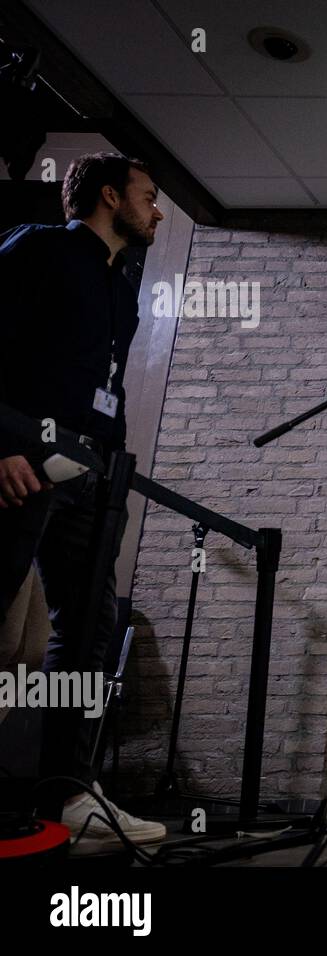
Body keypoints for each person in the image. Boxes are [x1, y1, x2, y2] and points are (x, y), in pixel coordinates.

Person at [0, 151, 167, 851]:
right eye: (148, 196)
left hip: (94, 477)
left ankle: (67, 794)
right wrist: (3, 444)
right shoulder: (37, 249)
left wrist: (113, 471)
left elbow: (107, 385)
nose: (158, 211)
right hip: (24, 464)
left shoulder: (122, 285)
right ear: (109, 196)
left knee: (89, 632)